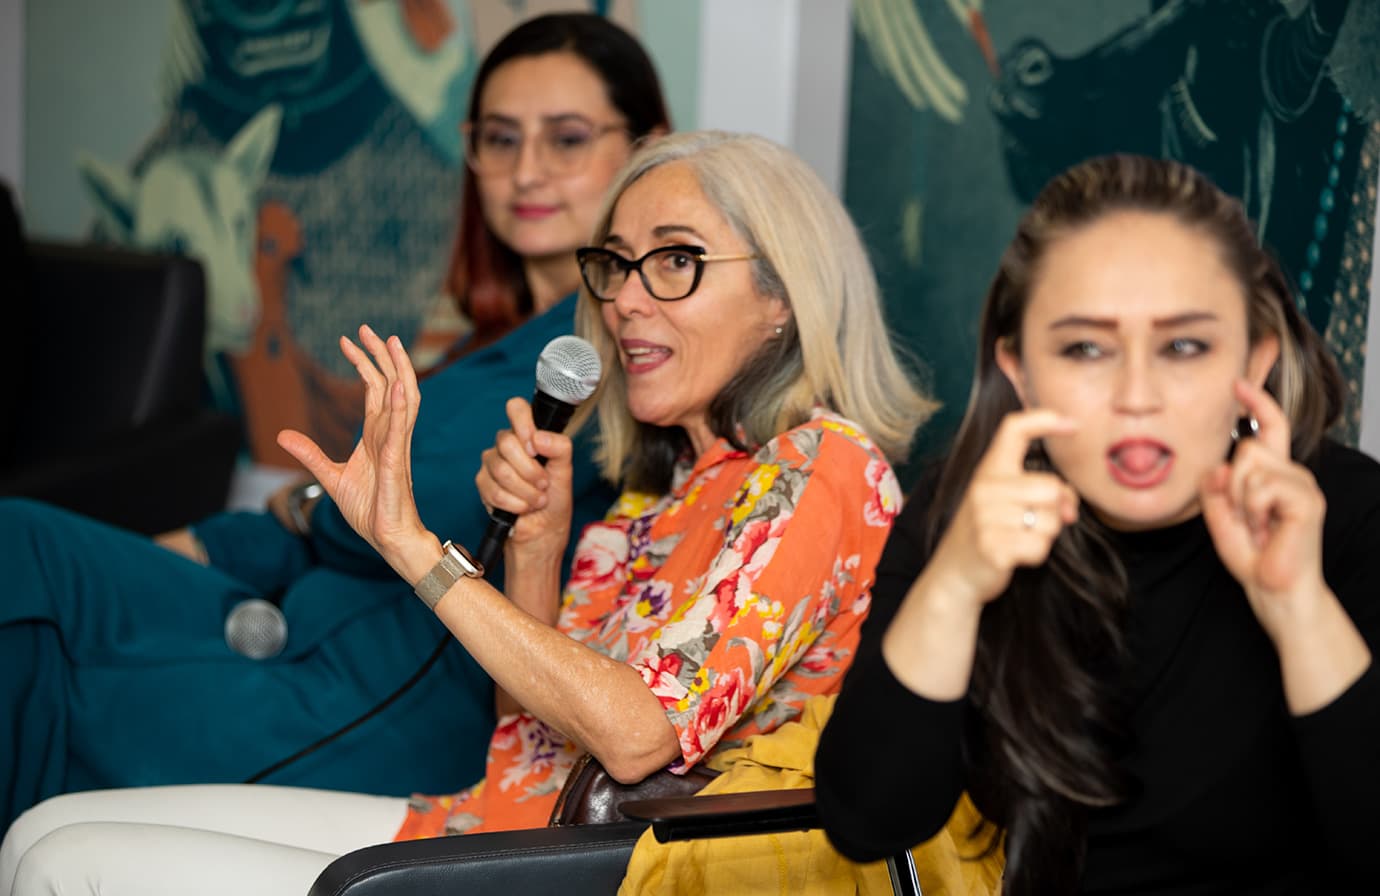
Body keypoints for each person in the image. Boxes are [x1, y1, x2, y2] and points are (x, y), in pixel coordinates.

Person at [0, 130, 936, 896]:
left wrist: (410, 543)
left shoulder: (818, 465)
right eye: (614, 266)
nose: (623, 302)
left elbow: (640, 735)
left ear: (780, 296)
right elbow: (534, 721)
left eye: (676, 263)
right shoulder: (657, 495)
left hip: (623, 871)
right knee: (44, 828)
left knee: (62, 865)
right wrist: (537, 548)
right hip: (502, 817)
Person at [0, 11, 670, 832]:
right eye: (499, 139)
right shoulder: (476, 339)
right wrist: (211, 543)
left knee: (42, 657)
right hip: (294, 607)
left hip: (389, 687)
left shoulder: (612, 347)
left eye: (565, 139)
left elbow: (387, 516)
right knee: (25, 543)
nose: (526, 171)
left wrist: (308, 508)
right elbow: (345, 514)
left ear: (646, 149)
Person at [814, 153, 1379, 893]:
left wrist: (1297, 605)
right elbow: (867, 821)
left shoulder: (1349, 515)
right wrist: (952, 589)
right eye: (1086, 348)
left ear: (1257, 358)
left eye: (1184, 346)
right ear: (1019, 369)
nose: (1135, 394)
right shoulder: (971, 515)